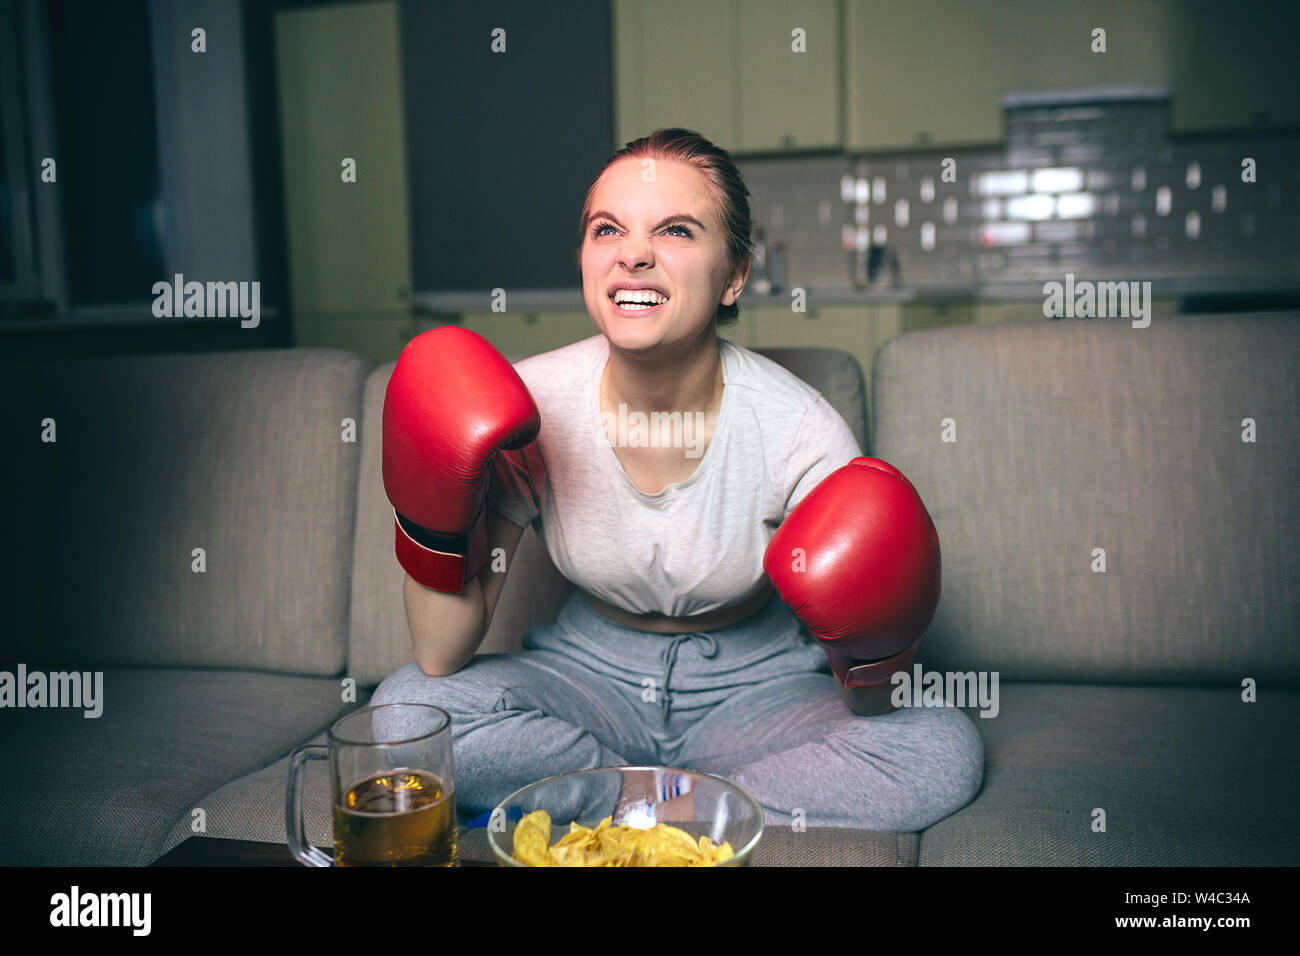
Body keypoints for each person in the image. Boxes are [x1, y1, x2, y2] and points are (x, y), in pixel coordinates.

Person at [373, 128, 984, 833]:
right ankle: (693, 807)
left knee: (939, 749)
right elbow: (441, 654)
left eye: (676, 230)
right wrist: (429, 522)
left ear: (734, 274)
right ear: (585, 258)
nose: (633, 253)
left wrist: (879, 652)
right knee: (402, 714)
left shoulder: (798, 428)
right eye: (608, 229)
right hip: (588, 675)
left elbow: (874, 710)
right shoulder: (529, 406)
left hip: (755, 689)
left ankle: (630, 802)